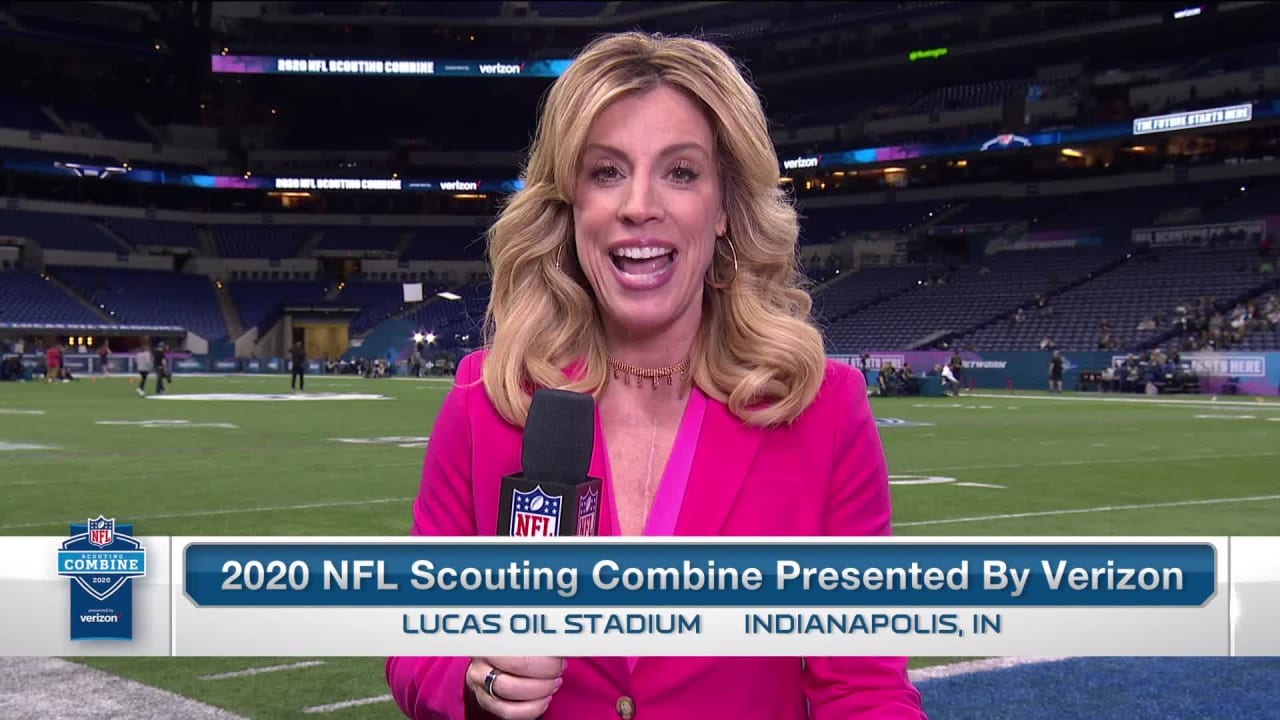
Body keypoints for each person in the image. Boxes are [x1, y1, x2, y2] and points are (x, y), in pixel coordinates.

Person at [385, 31, 926, 720]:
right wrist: (474, 675)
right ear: (569, 204)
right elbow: (414, 641)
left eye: (680, 172)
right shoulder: (485, 399)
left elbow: (863, 686)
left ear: (726, 205)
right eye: (606, 172)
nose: (639, 205)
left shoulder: (822, 410)